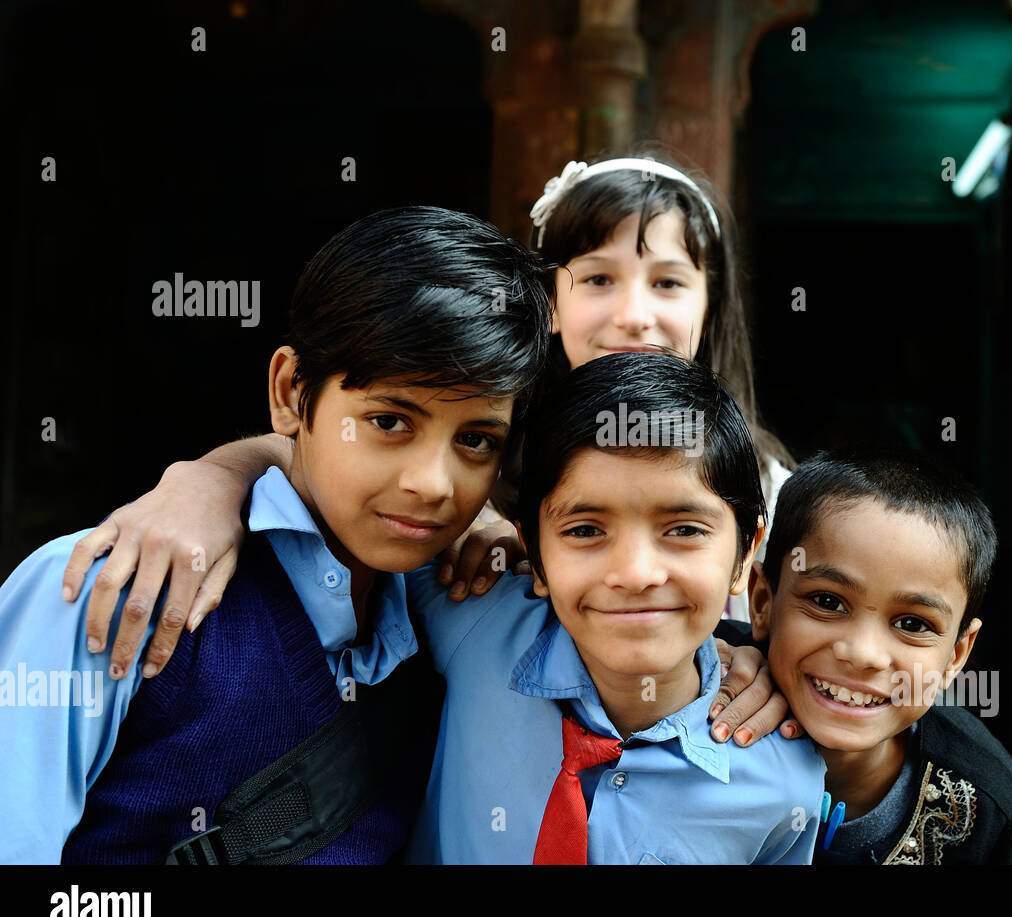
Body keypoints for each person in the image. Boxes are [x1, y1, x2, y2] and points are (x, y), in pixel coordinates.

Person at [58, 153, 797, 739]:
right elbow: (316, 452)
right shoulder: (494, 457)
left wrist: (756, 659)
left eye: (669, 283)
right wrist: (210, 479)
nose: (634, 314)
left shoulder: (768, 481)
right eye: (597, 278)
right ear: (545, 302)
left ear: (713, 300)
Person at [0, 206, 551, 863]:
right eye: (388, 421)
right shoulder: (121, 584)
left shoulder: (457, 622)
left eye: (475, 439)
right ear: (291, 392)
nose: (435, 483)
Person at [404, 351, 824, 863]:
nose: (634, 574)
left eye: (684, 530)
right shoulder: (474, 616)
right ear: (533, 551)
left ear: (745, 553)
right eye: (585, 531)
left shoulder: (784, 787)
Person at [750, 448, 1012, 864]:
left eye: (912, 624)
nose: (863, 655)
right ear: (762, 601)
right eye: (827, 601)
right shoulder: (696, 697)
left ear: (956, 656)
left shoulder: (984, 805)